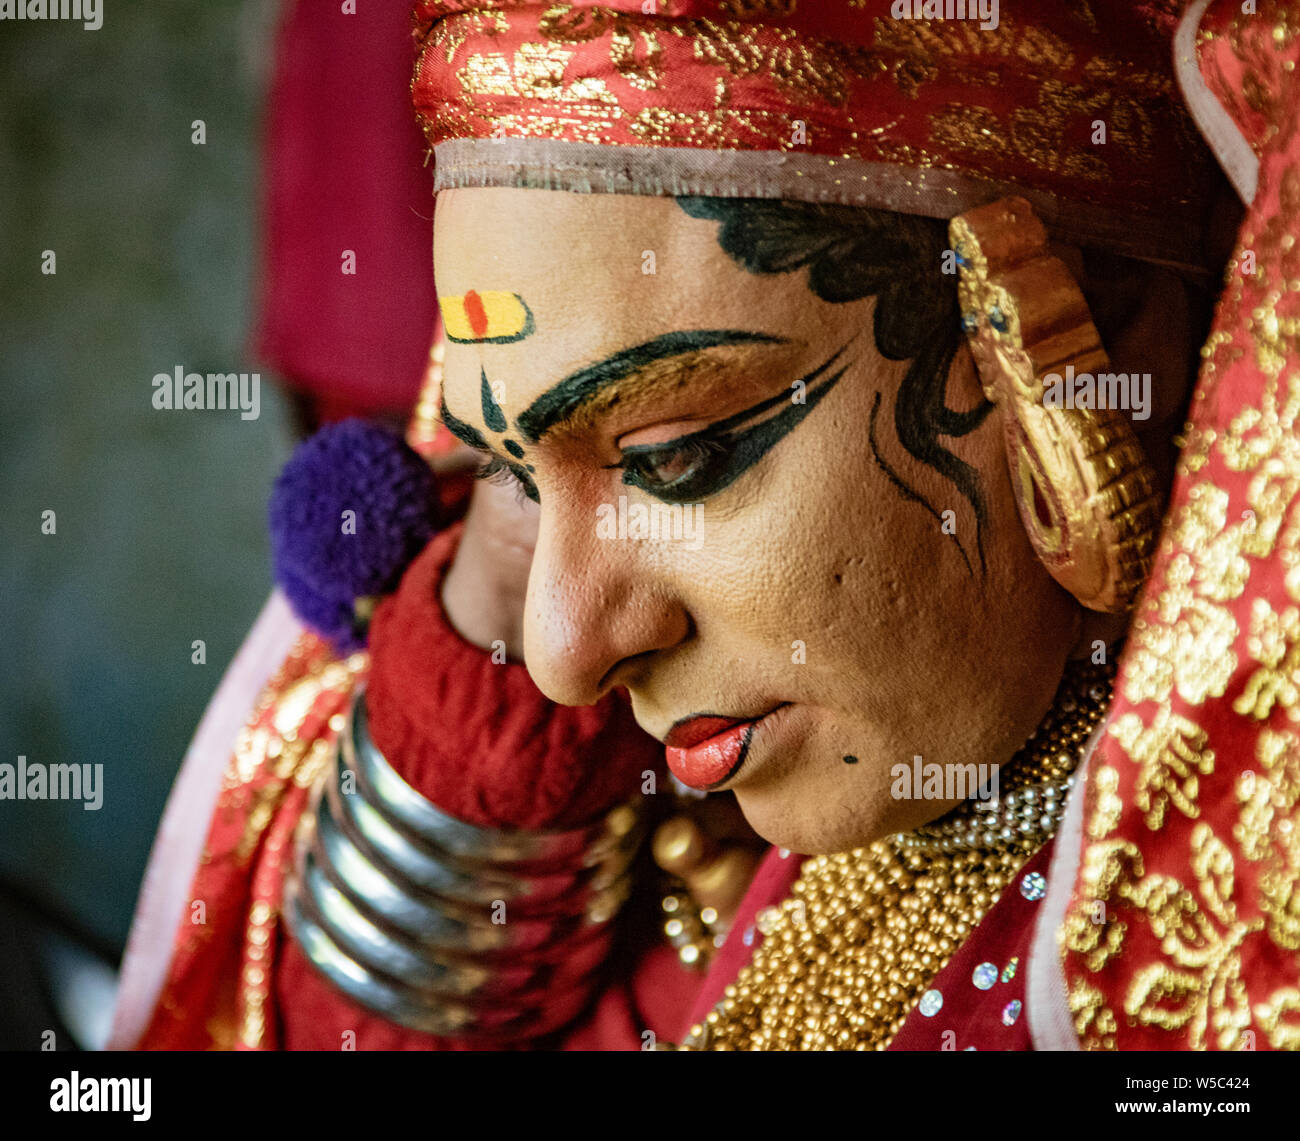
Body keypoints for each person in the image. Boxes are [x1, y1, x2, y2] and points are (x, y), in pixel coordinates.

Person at [111, 0, 1300, 1051]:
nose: (567, 657)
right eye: (512, 469)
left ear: (1081, 341)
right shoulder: (709, 850)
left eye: (675, 455)